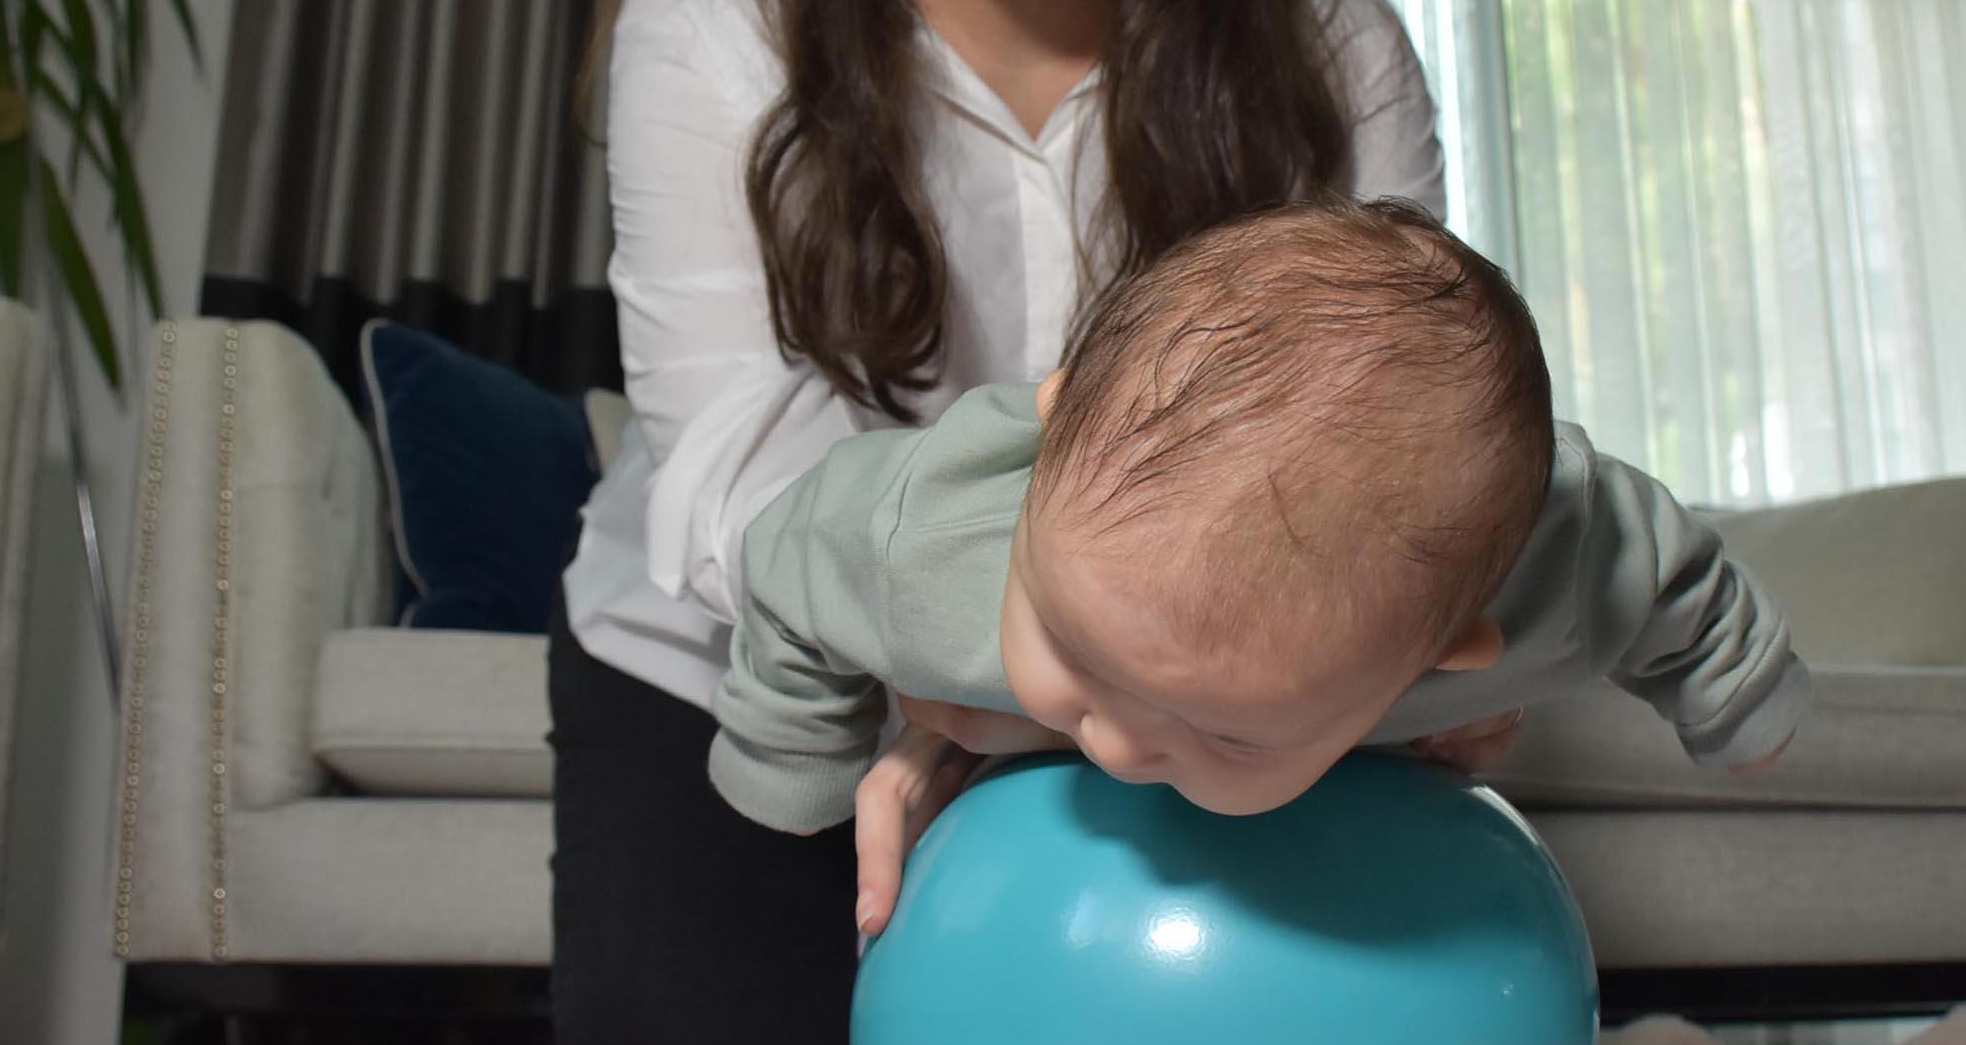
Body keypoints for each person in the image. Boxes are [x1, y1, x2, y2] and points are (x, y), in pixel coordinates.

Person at [552, 0, 1495, 1045]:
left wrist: (1154, 688)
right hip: (758, 682)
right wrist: (1004, 682)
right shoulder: (705, 30)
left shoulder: (1335, 45)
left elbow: (1375, 459)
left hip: (1187, 691)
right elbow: (741, 493)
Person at [708, 199, 1810, 934]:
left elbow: (1677, 579)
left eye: (1228, 730)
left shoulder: (1561, 568)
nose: (1120, 742)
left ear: (1449, 655)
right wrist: (790, 756)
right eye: (1073, 652)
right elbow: (785, 555)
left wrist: (1736, 700)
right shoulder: (925, 539)